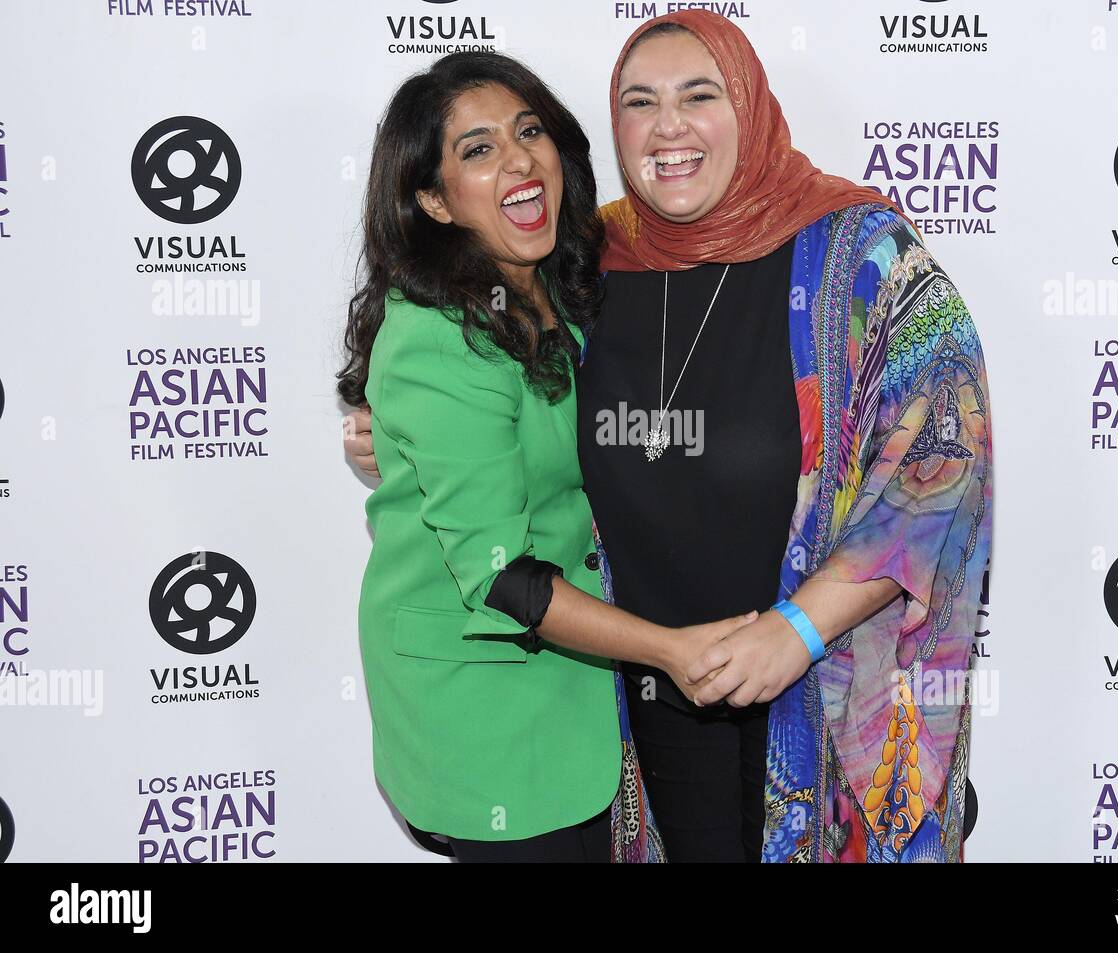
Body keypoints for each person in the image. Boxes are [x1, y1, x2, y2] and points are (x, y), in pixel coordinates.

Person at [348, 10, 994, 863]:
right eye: (640, 102)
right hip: (642, 704)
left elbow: (941, 463)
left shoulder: (863, 255)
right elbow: (474, 353)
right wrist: (393, 432)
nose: (669, 126)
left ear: (752, 107)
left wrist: (794, 631)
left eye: (700, 95)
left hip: (815, 683)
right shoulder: (597, 256)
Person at [339, 50, 752, 863]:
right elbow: (501, 577)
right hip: (484, 701)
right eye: (477, 149)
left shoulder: (558, 277)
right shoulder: (438, 339)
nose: (519, 159)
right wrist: (673, 649)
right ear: (433, 199)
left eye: (528, 131)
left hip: (578, 675)